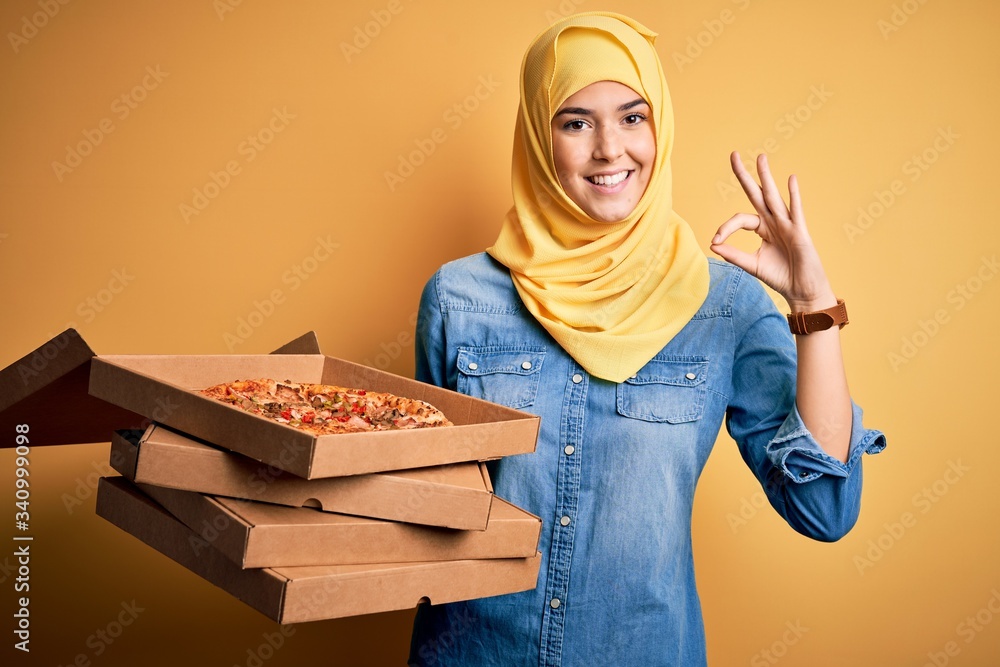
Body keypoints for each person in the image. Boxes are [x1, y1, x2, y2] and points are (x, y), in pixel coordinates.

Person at [408, 11, 885, 666]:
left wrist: (811, 306)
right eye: (576, 121)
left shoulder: (725, 306)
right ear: (537, 137)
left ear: (660, 123)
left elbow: (826, 508)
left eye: (634, 117)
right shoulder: (459, 298)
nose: (611, 148)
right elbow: (425, 511)